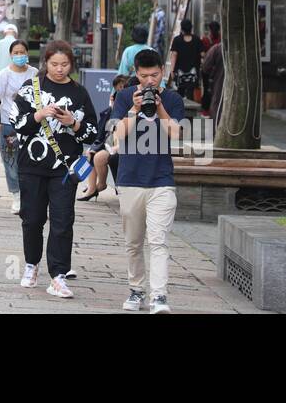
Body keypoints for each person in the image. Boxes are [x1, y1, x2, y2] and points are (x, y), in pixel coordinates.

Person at [12, 40, 100, 298]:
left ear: (71, 65)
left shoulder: (79, 93)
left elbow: (91, 132)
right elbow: (17, 123)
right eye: (54, 64)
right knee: (32, 219)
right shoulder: (31, 88)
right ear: (45, 63)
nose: (60, 69)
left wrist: (73, 123)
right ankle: (31, 264)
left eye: (64, 64)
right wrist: (40, 114)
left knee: (63, 221)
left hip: (65, 168)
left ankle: (59, 275)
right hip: (31, 166)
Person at [111, 49, 184, 314]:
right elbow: (117, 135)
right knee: (133, 242)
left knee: (158, 240)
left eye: (154, 75)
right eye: (144, 76)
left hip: (161, 180)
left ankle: (159, 296)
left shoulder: (173, 99)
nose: (150, 81)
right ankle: (136, 289)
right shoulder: (123, 97)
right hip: (130, 180)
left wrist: (161, 108)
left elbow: (176, 134)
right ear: (136, 74)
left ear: (162, 73)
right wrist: (134, 108)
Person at [0, 38, 35, 214]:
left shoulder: (35, 73)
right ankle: (16, 195)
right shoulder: (4, 74)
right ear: (10, 55)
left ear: (27, 53)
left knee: (30, 160)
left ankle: (30, 195)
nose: (19, 55)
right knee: (10, 161)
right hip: (7, 123)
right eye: (15, 53)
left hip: (31, 123)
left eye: (22, 52)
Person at [81, 75, 130, 201]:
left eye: (122, 88)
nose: (120, 91)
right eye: (118, 89)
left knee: (100, 157)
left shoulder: (131, 107)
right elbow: (102, 132)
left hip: (125, 145)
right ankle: (92, 188)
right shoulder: (111, 110)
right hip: (110, 143)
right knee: (91, 153)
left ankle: (101, 185)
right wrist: (95, 146)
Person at [167, 19, 204, 103]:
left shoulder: (177, 40)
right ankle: (190, 114)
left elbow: (174, 55)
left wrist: (172, 70)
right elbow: (203, 54)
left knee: (180, 92)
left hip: (180, 73)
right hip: (193, 73)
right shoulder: (197, 39)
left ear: (182, 28)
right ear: (191, 28)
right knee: (190, 93)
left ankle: (180, 112)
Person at [202, 38, 224, 120]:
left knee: (217, 104)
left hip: (219, 82)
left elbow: (205, 67)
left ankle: (216, 129)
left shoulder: (217, 48)